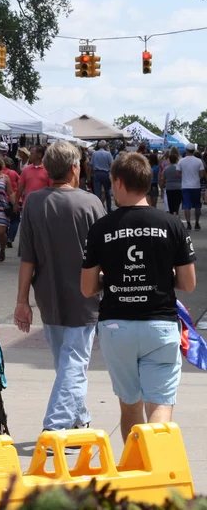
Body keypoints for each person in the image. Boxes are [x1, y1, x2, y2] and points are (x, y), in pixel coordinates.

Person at [82, 152, 196, 443]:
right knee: (159, 403)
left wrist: (113, 279)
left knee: (130, 406)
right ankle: (156, 472)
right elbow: (188, 283)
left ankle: (135, 471)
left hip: (116, 326)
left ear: (118, 182)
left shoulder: (101, 228)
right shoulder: (172, 225)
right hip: (159, 323)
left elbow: (87, 287)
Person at [14, 141, 104, 433]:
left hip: (48, 294)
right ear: (74, 167)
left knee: (66, 365)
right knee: (74, 364)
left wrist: (22, 300)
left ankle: (80, 419)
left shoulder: (34, 202)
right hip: (85, 296)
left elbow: (27, 257)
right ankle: (56, 426)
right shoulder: (90, 203)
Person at [17, 145, 52, 215]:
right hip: (27, 205)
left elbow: (52, 188)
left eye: (32, 153)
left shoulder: (48, 170)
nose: (30, 155)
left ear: (39, 155)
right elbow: (20, 187)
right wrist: (16, 202)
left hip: (42, 206)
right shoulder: (26, 170)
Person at [177, 143, 205, 230]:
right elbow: (201, 175)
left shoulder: (181, 161)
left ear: (186, 150)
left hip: (185, 186)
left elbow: (177, 174)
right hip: (196, 186)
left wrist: (184, 174)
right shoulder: (199, 161)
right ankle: (197, 223)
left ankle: (188, 224)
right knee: (197, 205)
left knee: (186, 205)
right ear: (194, 150)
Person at [89, 140, 115, 212]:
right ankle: (109, 208)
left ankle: (97, 209)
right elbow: (111, 165)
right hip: (105, 174)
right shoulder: (108, 154)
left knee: (97, 193)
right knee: (107, 192)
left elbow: (91, 165)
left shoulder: (94, 153)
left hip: (96, 173)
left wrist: (90, 175)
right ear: (105, 146)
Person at [160, 148, 182, 216]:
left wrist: (162, 186)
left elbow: (163, 178)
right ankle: (177, 212)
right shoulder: (178, 167)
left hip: (169, 187)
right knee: (177, 201)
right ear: (176, 160)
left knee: (170, 201)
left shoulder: (167, 168)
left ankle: (171, 212)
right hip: (178, 186)